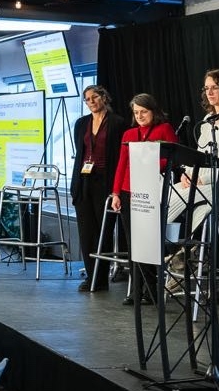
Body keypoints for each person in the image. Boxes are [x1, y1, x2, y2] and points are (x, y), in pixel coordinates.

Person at [109, 93, 179, 305]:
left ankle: (151, 291)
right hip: (129, 191)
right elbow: (121, 164)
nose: (139, 116)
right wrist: (115, 193)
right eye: (136, 112)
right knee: (133, 245)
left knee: (148, 243)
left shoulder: (164, 129)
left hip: (152, 193)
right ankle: (137, 291)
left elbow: (173, 158)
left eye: (143, 111)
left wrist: (149, 165)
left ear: (153, 111)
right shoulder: (129, 133)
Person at [166, 69, 219, 236]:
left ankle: (177, 251)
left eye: (215, 87)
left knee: (174, 200)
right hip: (198, 182)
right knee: (164, 196)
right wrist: (187, 174)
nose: (209, 92)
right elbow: (198, 155)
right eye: (206, 88)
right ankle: (176, 252)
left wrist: (200, 179)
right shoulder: (207, 119)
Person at [71, 85, 129, 292]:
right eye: (87, 99)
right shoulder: (81, 123)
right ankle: (91, 275)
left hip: (107, 182)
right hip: (84, 181)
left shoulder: (118, 123)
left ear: (104, 97)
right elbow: (80, 153)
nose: (91, 101)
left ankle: (101, 277)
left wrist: (118, 188)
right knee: (87, 233)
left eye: (94, 97)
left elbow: (121, 156)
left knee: (103, 231)